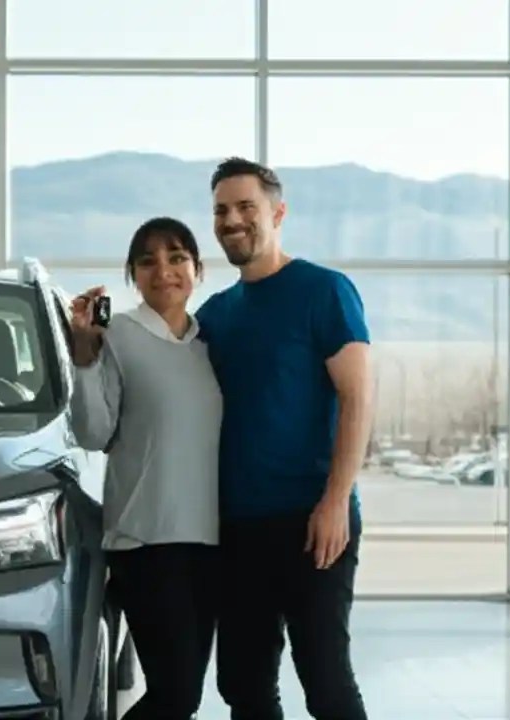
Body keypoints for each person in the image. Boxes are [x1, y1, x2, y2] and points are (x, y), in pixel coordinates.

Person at [194, 157, 373, 720]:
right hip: (239, 527)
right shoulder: (216, 314)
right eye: (222, 210)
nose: (232, 219)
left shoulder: (324, 291)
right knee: (244, 686)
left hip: (312, 520)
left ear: (278, 212)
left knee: (325, 680)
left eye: (246, 206)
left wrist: (335, 499)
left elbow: (358, 397)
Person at [68, 217, 221, 720]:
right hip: (146, 544)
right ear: (132, 275)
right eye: (148, 261)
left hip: (209, 546)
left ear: (198, 269)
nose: (164, 271)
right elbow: (92, 432)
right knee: (174, 696)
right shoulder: (119, 336)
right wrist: (85, 355)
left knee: (185, 699)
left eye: (177, 257)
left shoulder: (209, 346)